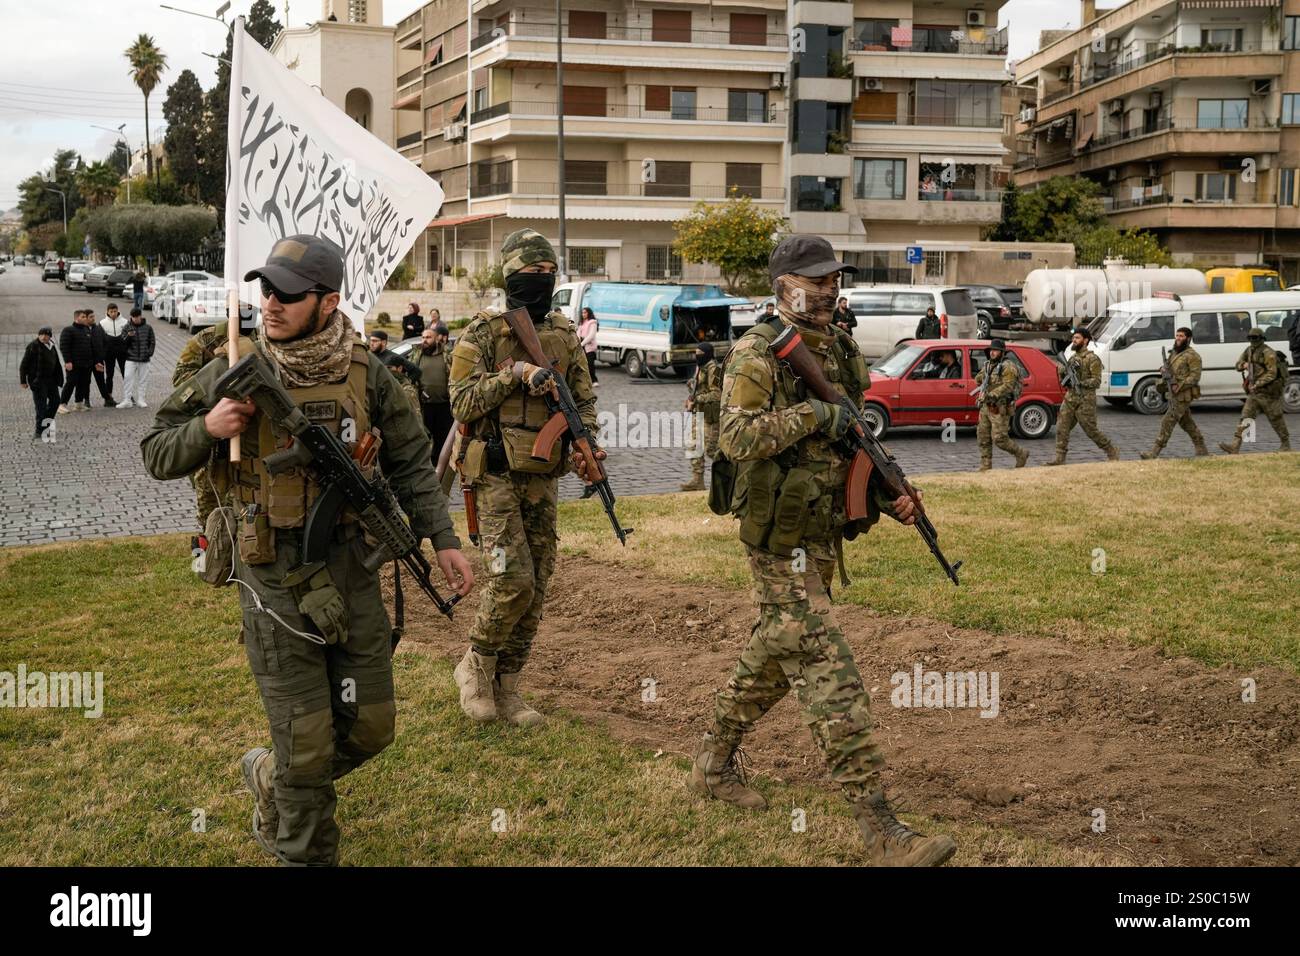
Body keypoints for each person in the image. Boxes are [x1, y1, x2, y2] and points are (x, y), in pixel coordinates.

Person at [141, 234, 474, 866]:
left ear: (329, 302)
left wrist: (444, 540)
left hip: (352, 570)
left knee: (370, 726)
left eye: (288, 295)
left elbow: (410, 464)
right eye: (265, 290)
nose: (270, 304)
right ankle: (303, 847)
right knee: (308, 742)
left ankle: (275, 777)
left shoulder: (367, 370)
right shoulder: (233, 367)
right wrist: (206, 428)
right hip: (274, 579)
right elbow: (156, 449)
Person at [688, 234, 956, 867]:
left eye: (835, 278)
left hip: (820, 531)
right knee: (825, 665)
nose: (830, 289)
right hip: (779, 540)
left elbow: (854, 439)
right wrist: (815, 416)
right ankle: (879, 827)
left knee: (775, 657)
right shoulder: (758, 354)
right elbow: (736, 438)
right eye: (816, 279)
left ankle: (712, 764)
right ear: (783, 286)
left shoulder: (837, 348)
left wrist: (891, 496)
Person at [448, 228, 601, 727]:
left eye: (547, 273)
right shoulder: (482, 334)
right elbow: (461, 402)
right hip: (494, 474)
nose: (540, 280)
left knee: (538, 583)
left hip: (542, 475)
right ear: (510, 275)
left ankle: (509, 686)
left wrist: (587, 444)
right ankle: (475, 668)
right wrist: (512, 376)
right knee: (511, 579)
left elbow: (584, 398)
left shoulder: (563, 332)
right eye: (530, 273)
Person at [172, 317, 261, 528]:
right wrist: (219, 378)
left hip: (249, 437)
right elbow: (180, 379)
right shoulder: (207, 338)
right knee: (210, 508)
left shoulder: (263, 338)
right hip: (214, 437)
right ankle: (209, 547)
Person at [1048, 327, 1120, 465]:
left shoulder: (1093, 359)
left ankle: (1111, 450)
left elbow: (1096, 381)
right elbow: (1063, 378)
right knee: (1061, 427)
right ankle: (1059, 458)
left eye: (1077, 338)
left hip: (1085, 400)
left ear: (1085, 341)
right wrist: (1063, 372)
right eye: (1073, 338)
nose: (1073, 341)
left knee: (1091, 430)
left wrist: (1080, 383)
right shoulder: (1072, 358)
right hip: (1070, 399)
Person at [1219, 327, 1292, 454]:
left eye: (1255, 338)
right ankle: (1235, 446)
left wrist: (1258, 383)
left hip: (1269, 392)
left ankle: (1285, 444)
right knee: (1245, 417)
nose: (1252, 341)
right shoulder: (1249, 350)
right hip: (1255, 392)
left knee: (1276, 418)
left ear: (1261, 339)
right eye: (1250, 338)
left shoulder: (1268, 353)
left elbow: (1272, 373)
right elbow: (1237, 364)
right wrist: (1244, 365)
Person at [1141, 327, 1209, 459]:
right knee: (1186, 423)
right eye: (1177, 335)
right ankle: (1202, 449)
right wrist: (1164, 370)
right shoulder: (1174, 353)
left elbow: (1195, 377)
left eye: (1181, 336)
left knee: (1167, 421)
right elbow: (1171, 370)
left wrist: (1179, 386)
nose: (1178, 338)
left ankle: (1154, 453)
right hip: (1172, 392)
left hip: (1183, 395)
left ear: (1188, 338)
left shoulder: (1193, 356)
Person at [974, 341, 1029, 470]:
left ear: (1002, 352)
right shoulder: (988, 365)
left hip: (1000, 407)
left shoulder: (1008, 367)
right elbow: (978, 379)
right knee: (982, 436)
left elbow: (1008, 386)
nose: (992, 352)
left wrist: (992, 394)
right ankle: (985, 466)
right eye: (991, 350)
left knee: (1000, 439)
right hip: (986, 406)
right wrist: (983, 377)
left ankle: (1021, 453)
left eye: (996, 350)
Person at [680, 341, 722, 492]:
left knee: (712, 449)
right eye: (696, 354)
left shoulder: (714, 370)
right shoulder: (700, 368)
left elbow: (717, 394)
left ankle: (727, 477)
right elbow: (697, 388)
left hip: (710, 416)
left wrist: (698, 399)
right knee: (694, 446)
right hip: (698, 413)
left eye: (700, 355)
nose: (697, 357)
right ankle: (697, 480)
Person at [411, 323, 453, 458]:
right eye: (423, 337)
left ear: (436, 339)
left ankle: (438, 466)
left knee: (442, 439)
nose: (424, 340)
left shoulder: (447, 354)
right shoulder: (417, 355)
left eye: (428, 337)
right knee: (423, 438)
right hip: (424, 406)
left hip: (444, 405)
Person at [20, 326, 64, 440]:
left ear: (50, 336)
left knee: (55, 402)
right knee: (41, 406)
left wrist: (59, 377)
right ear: (38, 335)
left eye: (46, 335)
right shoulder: (33, 347)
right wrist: (23, 381)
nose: (44, 337)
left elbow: (57, 362)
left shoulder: (52, 346)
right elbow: (24, 364)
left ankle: (45, 426)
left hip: (51, 380)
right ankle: (39, 431)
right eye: (41, 334)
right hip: (38, 381)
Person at [57, 310, 99, 414]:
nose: (86, 318)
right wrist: (67, 361)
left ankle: (79, 404)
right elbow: (64, 347)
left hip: (87, 363)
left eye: (85, 316)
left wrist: (95, 362)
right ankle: (62, 404)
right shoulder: (68, 330)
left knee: (83, 383)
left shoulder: (86, 330)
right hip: (74, 364)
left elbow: (91, 347)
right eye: (83, 317)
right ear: (77, 318)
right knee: (71, 383)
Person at [119, 308, 155, 408]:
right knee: (128, 378)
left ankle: (141, 399)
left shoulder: (148, 327)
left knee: (143, 380)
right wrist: (129, 337)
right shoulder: (127, 327)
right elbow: (122, 343)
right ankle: (127, 399)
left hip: (144, 358)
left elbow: (152, 341)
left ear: (140, 316)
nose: (135, 319)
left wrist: (149, 353)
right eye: (133, 317)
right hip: (131, 358)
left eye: (136, 317)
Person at [84, 306, 117, 407]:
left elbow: (105, 343)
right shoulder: (81, 330)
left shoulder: (98, 328)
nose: (93, 318)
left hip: (98, 361)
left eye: (93, 316)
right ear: (85, 318)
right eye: (91, 317)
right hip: (87, 361)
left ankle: (107, 399)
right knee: (86, 381)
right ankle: (86, 401)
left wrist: (101, 357)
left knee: (101, 381)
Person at [100, 303, 129, 399]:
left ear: (118, 311)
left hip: (122, 352)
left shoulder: (125, 322)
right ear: (107, 312)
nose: (113, 313)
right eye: (111, 311)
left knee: (126, 373)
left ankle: (129, 395)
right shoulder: (102, 323)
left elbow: (130, 337)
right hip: (109, 353)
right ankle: (109, 395)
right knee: (109, 374)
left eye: (115, 311)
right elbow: (100, 340)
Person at [578, 306, 600, 387]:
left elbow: (591, 335)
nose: (583, 314)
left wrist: (582, 344)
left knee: (590, 364)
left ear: (589, 313)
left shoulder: (592, 322)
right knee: (582, 365)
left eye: (585, 312)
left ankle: (594, 380)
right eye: (582, 313)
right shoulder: (582, 323)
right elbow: (578, 333)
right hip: (582, 345)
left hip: (589, 346)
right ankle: (586, 381)